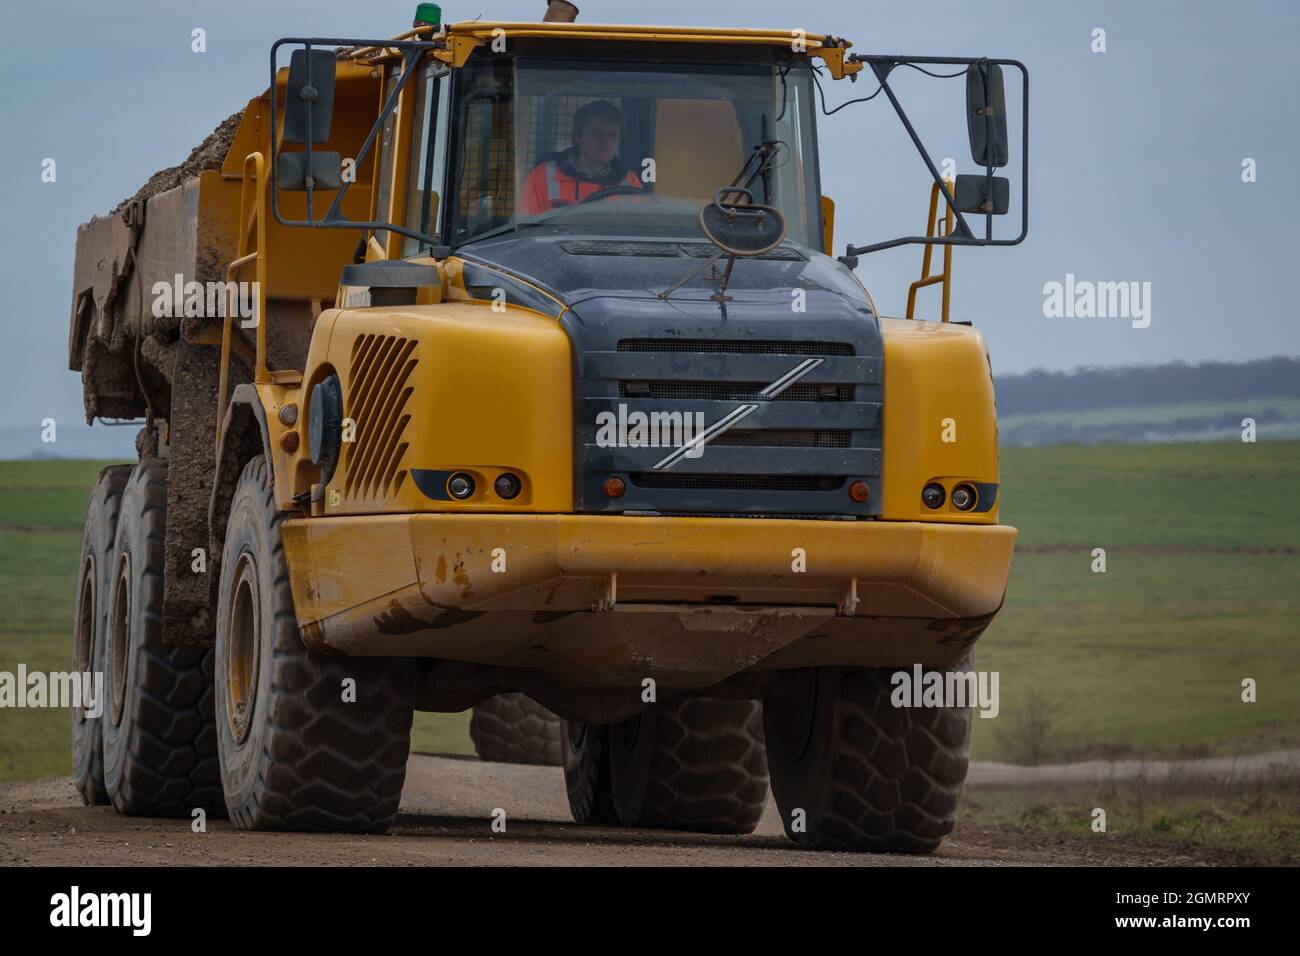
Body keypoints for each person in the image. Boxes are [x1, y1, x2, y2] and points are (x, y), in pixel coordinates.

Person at [521, 99, 643, 215]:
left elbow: (639, 229)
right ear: (578, 136)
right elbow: (525, 228)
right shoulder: (543, 177)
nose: (605, 142)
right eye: (597, 133)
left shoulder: (629, 183)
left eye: (612, 135)